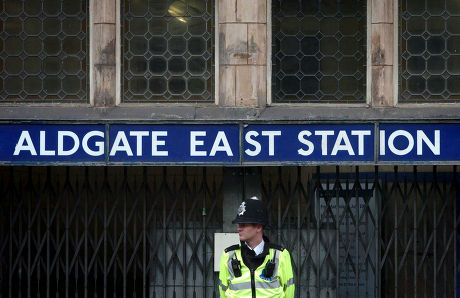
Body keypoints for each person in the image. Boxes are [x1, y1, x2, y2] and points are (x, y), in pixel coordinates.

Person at [218, 196, 295, 298]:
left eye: (244, 224)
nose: (238, 228)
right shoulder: (229, 255)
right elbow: (223, 292)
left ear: (258, 227)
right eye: (239, 224)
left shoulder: (280, 255)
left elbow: (289, 292)